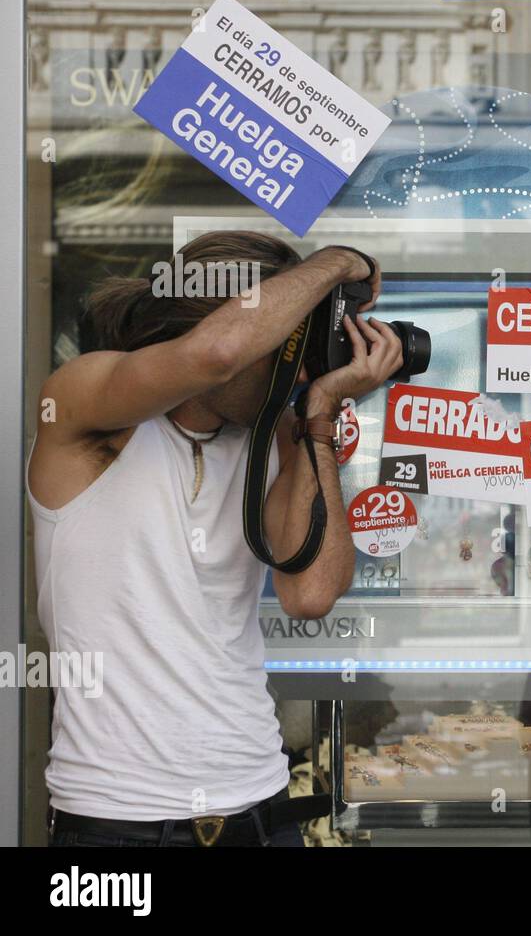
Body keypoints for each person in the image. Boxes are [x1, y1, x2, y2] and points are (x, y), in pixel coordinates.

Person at [27, 231, 402, 847]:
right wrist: (338, 262)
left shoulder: (276, 439)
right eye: (291, 344)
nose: (302, 366)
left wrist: (319, 417)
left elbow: (311, 593)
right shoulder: (82, 403)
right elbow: (216, 354)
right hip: (118, 820)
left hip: (257, 805)